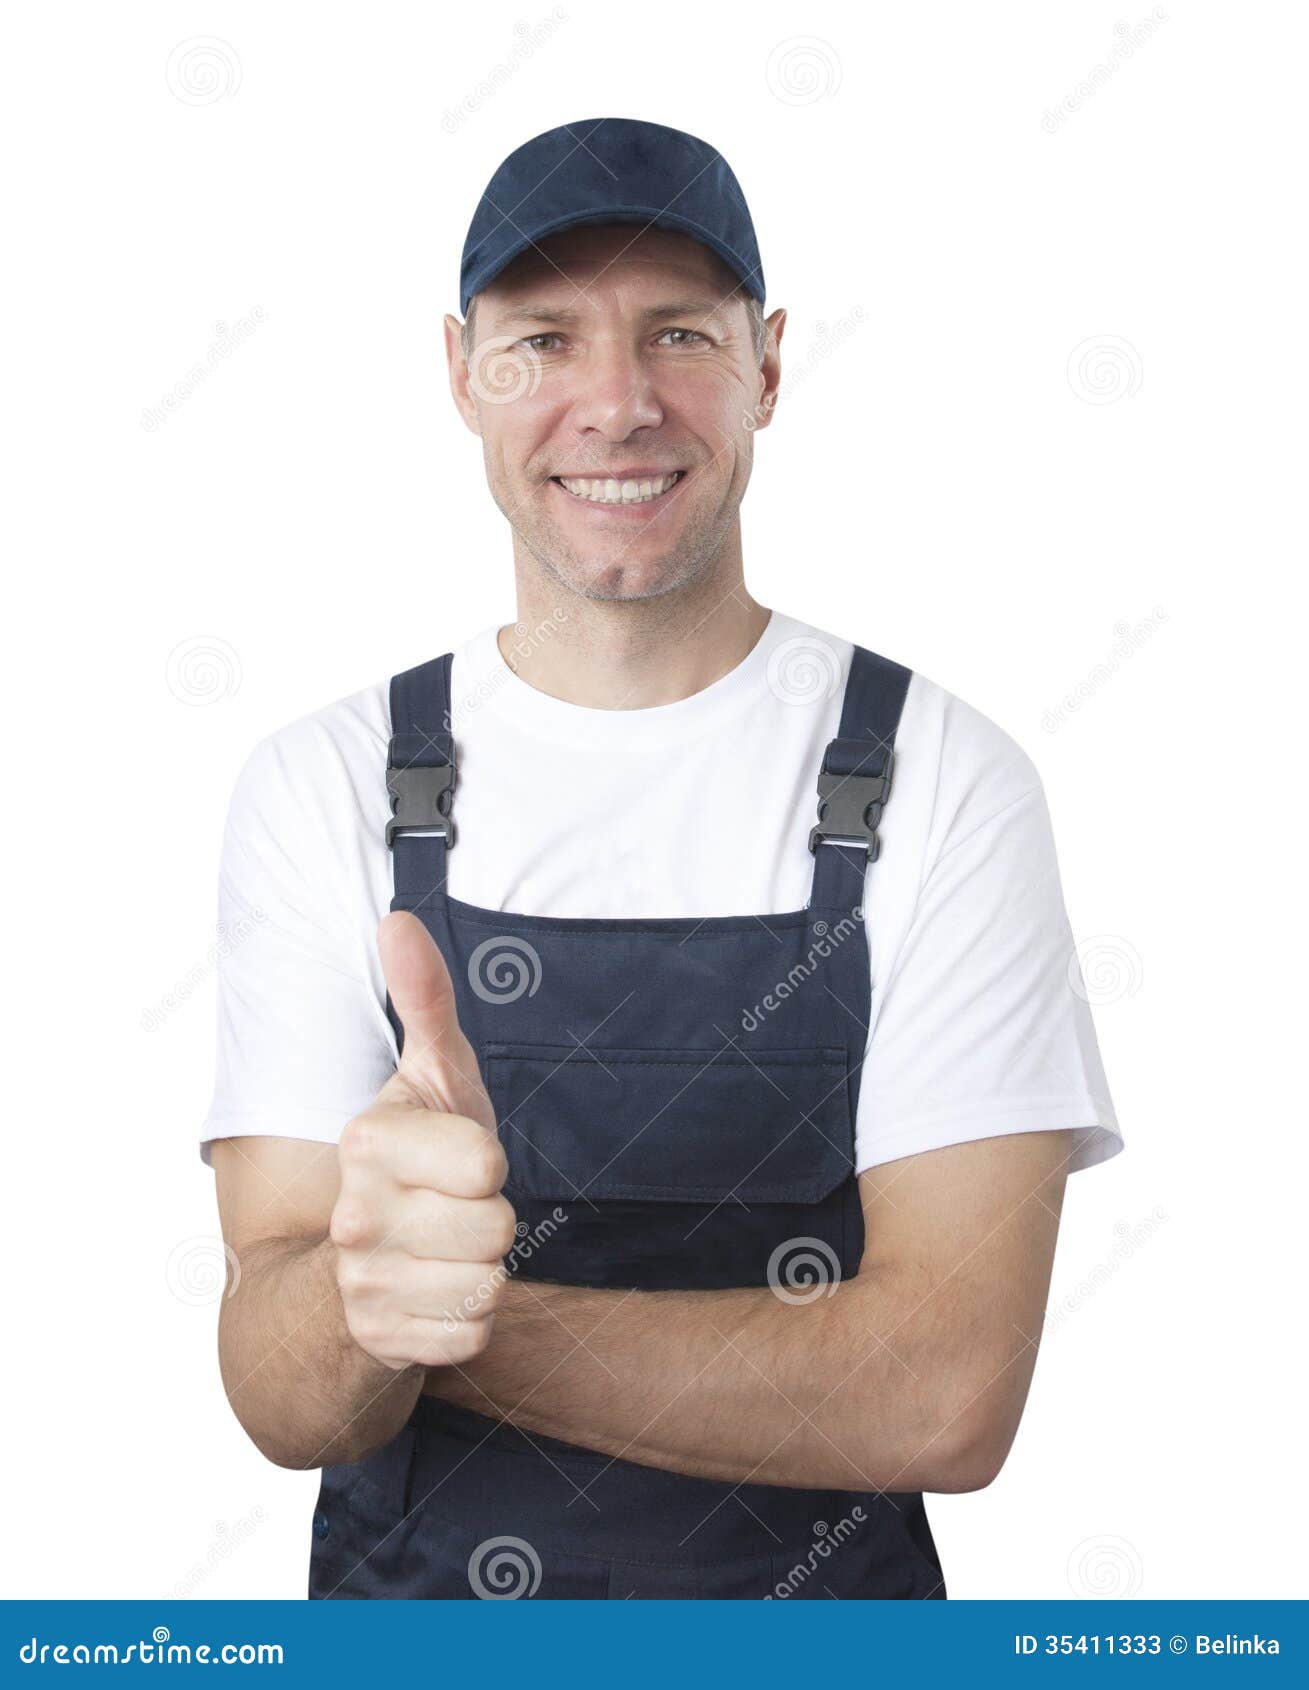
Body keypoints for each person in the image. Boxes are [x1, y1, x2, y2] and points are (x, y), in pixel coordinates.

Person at [204, 117, 1121, 1600]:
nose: (616, 404)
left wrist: (453, 1317)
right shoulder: (322, 788)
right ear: (460, 374)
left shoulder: (947, 781)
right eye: (544, 340)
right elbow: (279, 1386)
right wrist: (345, 1314)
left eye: (677, 334)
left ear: (766, 364)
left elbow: (945, 1392)